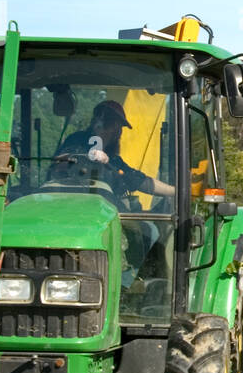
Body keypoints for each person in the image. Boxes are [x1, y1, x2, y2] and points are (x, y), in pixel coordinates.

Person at [54, 99, 176, 287]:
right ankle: (124, 283)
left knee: (147, 228)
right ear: (102, 123)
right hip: (74, 208)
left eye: (118, 128)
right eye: (116, 127)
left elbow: (140, 181)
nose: (119, 133)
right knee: (149, 230)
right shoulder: (76, 143)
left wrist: (176, 191)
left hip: (99, 209)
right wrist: (88, 156)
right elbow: (62, 162)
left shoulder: (112, 159)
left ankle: (124, 281)